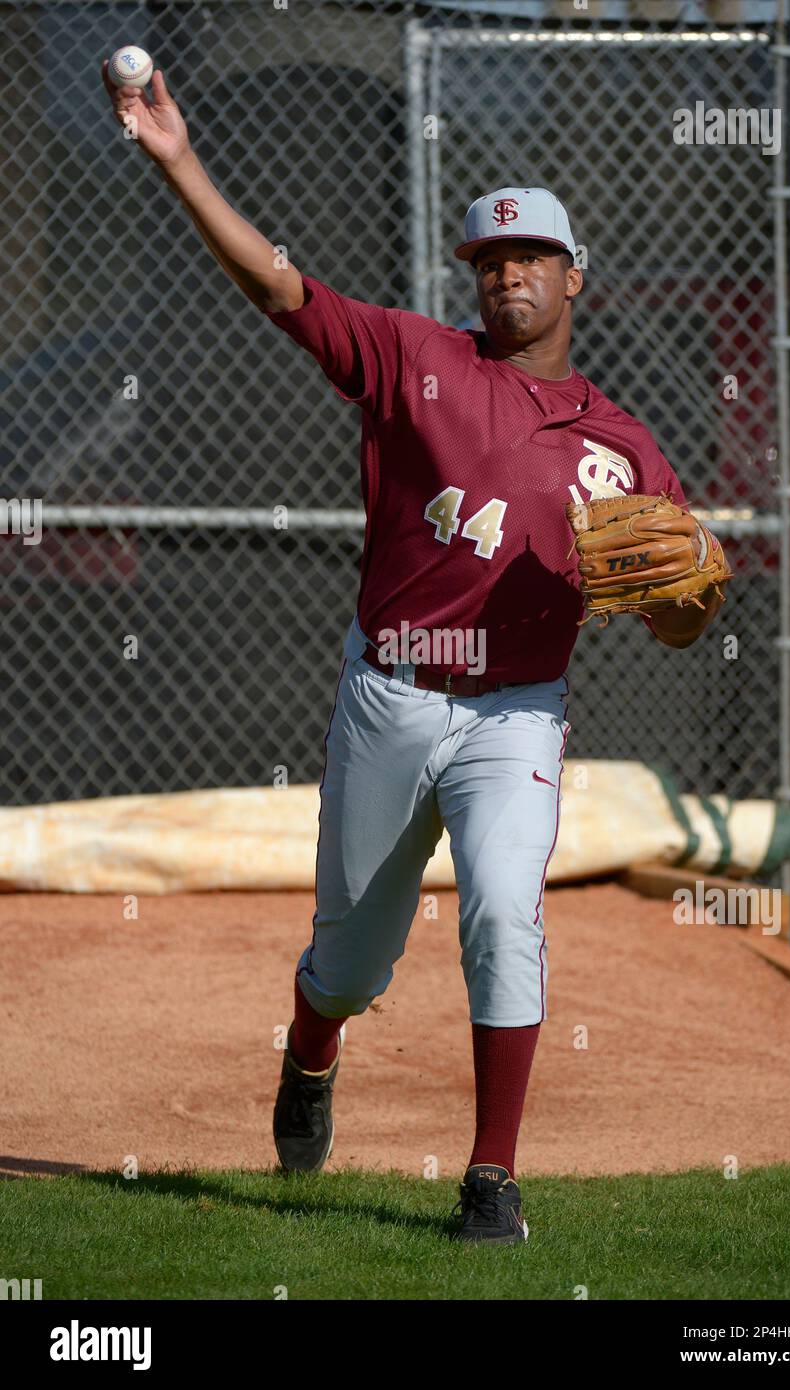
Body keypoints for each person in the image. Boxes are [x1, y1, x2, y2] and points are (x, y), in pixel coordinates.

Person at [104, 65, 724, 1245]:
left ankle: (491, 1180)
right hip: (390, 692)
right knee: (348, 964)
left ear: (573, 274)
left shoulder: (623, 448)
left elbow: (675, 619)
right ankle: (313, 1049)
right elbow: (276, 284)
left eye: (532, 254)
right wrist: (179, 160)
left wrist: (692, 594)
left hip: (517, 714)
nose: (508, 273)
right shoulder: (411, 356)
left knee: (504, 913)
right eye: (491, 258)